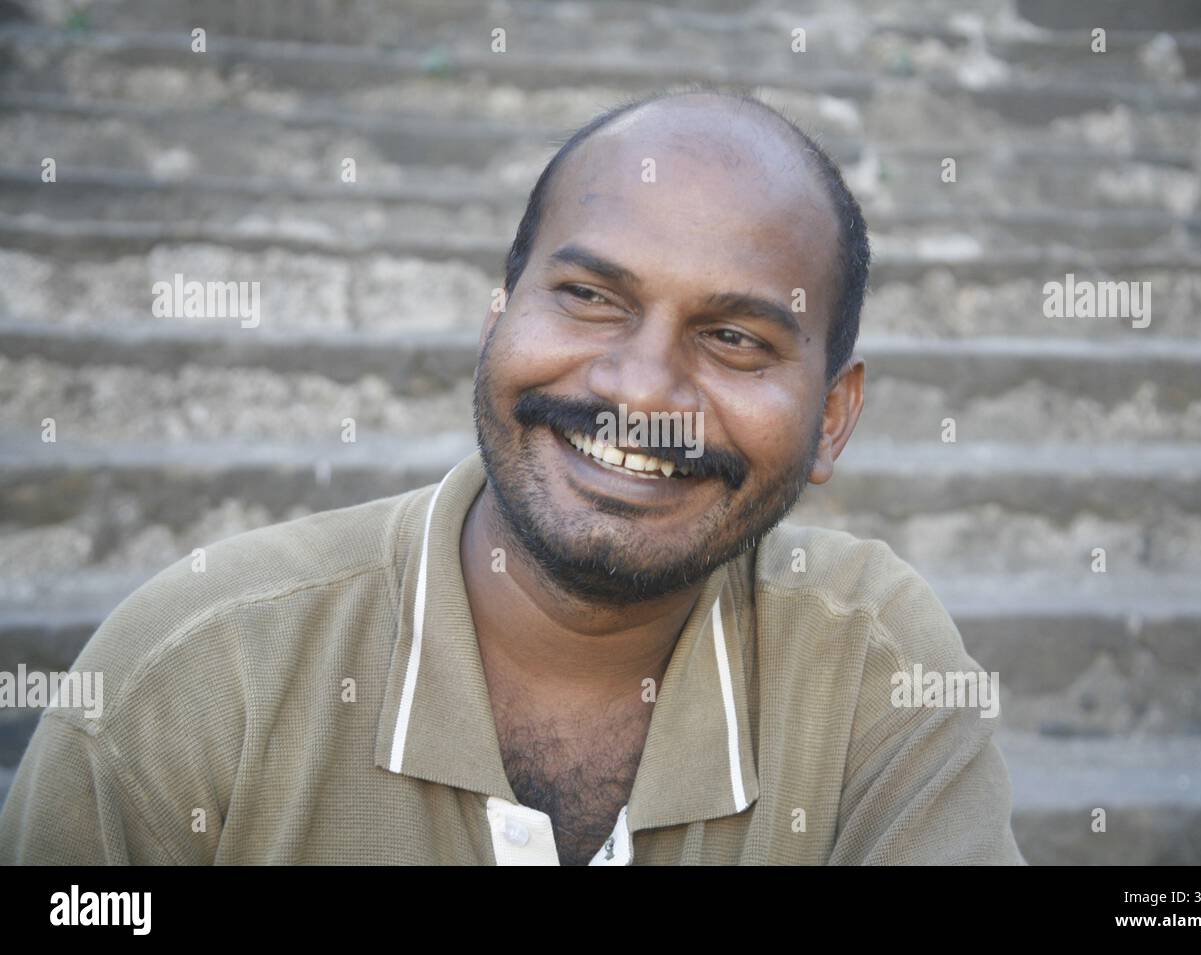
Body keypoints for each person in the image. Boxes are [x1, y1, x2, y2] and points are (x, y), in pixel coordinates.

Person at [0, 87, 1025, 865]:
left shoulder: (870, 665)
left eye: (733, 336)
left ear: (832, 418)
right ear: (498, 320)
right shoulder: (191, 681)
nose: (639, 390)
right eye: (587, 296)